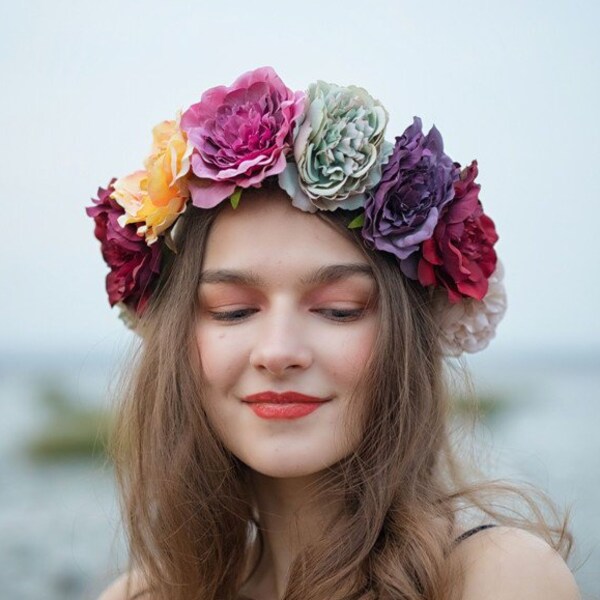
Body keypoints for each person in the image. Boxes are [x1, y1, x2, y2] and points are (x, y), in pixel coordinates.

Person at [87, 67, 580, 600]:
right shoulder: (138, 596)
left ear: (410, 336)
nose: (279, 352)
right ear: (176, 338)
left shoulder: (495, 579)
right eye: (231, 311)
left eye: (340, 310)